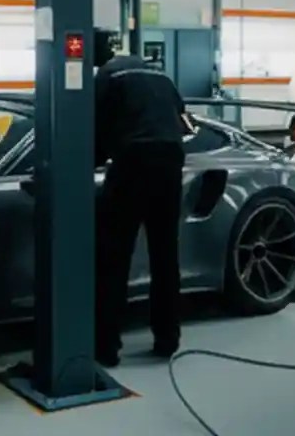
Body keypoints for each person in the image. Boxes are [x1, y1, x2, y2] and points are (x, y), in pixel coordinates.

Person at [92, 29, 187, 366]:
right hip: (171, 162)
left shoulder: (107, 76)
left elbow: (94, 127)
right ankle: (167, 339)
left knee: (114, 255)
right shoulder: (157, 73)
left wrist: (90, 161)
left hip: (134, 161)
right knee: (165, 254)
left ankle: (105, 347)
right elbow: (180, 116)